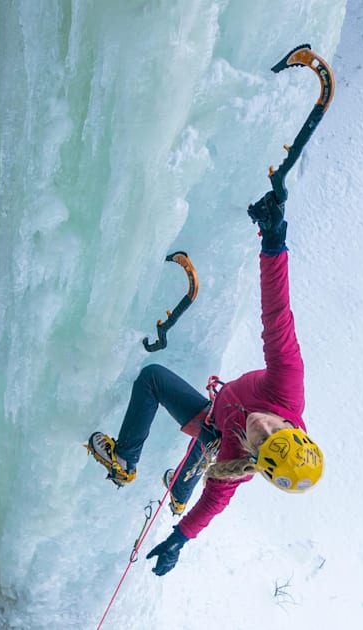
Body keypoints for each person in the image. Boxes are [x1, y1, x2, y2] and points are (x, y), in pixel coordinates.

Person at [87, 188, 324, 577]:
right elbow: (277, 315)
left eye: (263, 442)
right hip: (212, 418)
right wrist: (273, 244)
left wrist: (180, 538)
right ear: (292, 426)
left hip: (213, 425)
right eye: (276, 429)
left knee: (166, 398)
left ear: (258, 459)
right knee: (187, 437)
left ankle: (127, 461)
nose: (261, 427)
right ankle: (172, 489)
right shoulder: (286, 384)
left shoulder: (241, 460)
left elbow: (215, 501)